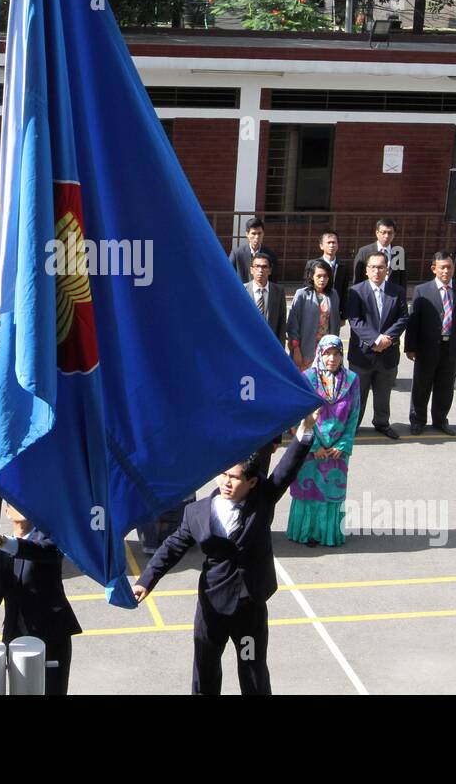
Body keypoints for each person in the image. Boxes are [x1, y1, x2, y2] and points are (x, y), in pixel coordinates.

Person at [133, 430, 317, 695]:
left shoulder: (263, 500)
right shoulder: (196, 513)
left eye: (235, 477)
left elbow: (287, 468)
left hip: (249, 607)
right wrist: (145, 581)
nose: (227, 482)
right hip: (212, 609)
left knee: (252, 671)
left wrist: (306, 430)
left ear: (253, 482)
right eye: (224, 474)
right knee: (205, 671)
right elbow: (172, 547)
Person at [0, 504, 82, 696]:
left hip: (51, 635)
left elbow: (38, 551)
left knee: (53, 689)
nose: (21, 506)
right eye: (13, 503)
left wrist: (0, 541)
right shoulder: (0, 551)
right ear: (6, 512)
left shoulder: (49, 538)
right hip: (17, 634)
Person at [287, 336, 359, 547]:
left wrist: (343, 445)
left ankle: (328, 534)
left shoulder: (352, 380)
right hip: (311, 448)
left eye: (336, 354)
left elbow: (354, 414)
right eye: (327, 353)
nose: (332, 359)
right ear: (320, 353)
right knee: (308, 490)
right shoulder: (307, 378)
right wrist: (314, 445)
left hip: (337, 451)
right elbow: (298, 414)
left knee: (331, 492)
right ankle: (306, 533)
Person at [406, 252, 456, 436]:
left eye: (449, 267)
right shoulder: (422, 290)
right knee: (422, 385)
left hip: (451, 347)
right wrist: (410, 347)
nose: (446, 271)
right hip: (427, 348)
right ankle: (418, 420)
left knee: (445, 386)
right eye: (442, 267)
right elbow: (414, 322)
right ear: (434, 269)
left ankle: (440, 420)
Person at [344, 251, 408, 439]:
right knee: (358, 396)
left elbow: (403, 317)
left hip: (388, 353)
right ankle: (353, 426)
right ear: (366, 270)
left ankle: (382, 423)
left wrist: (387, 339)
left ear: (387, 269)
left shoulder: (397, 292)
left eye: (381, 267)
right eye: (373, 267)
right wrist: (375, 340)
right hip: (362, 354)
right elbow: (355, 320)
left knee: (383, 394)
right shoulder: (356, 291)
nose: (377, 271)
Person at [287, 259, 341, 370]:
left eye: (325, 276)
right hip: (305, 350)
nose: (322, 279)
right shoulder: (302, 294)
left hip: (327, 351)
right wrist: (296, 350)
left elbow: (335, 324)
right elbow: (293, 325)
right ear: (312, 276)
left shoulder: (333, 295)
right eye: (319, 276)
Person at [305, 230, 352, 320]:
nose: (331, 245)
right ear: (321, 246)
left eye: (334, 242)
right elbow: (307, 287)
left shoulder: (343, 266)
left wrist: (343, 316)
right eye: (329, 242)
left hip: (334, 310)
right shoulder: (312, 264)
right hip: (315, 309)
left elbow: (344, 292)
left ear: (338, 245)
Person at [353, 218, 407, 286]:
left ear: (394, 234)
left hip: (391, 294)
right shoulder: (364, 252)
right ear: (377, 233)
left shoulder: (399, 253)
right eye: (383, 232)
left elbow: (402, 280)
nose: (386, 236)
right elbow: (357, 279)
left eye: (390, 233)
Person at [244, 254, 285, 343]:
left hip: (270, 342)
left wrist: (280, 348)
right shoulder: (242, 290)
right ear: (251, 270)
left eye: (264, 267)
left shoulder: (279, 291)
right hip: (247, 342)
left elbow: (282, 322)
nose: (260, 270)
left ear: (270, 270)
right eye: (257, 266)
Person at [228, 216, 277, 283]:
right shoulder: (237, 253)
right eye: (253, 233)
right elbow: (228, 275)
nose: (257, 237)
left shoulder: (270, 255)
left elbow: (273, 281)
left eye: (259, 233)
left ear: (263, 234)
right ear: (247, 234)